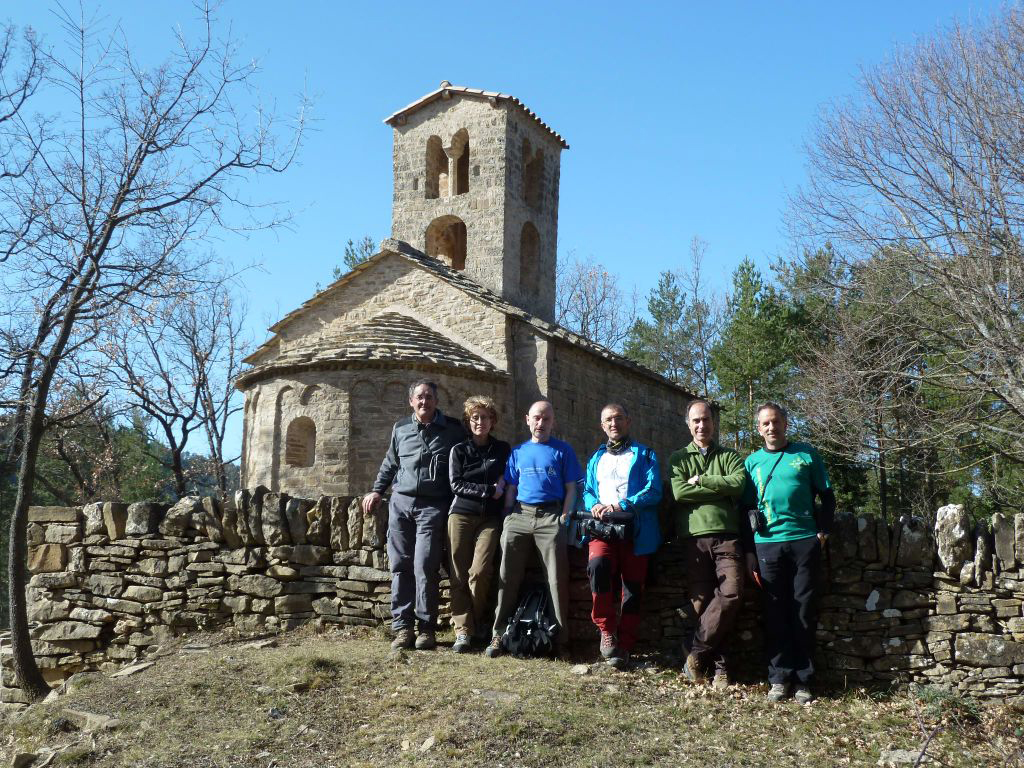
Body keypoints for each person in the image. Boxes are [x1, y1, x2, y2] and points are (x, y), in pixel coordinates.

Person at [363, 379, 466, 651]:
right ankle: (403, 627)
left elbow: (469, 459)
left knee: (425, 566)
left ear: (436, 401)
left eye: (429, 397)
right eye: (419, 397)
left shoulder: (453, 430)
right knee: (400, 565)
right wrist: (376, 490)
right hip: (400, 504)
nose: (424, 402)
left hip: (433, 506)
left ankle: (426, 629)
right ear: (411, 401)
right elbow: (390, 462)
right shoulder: (401, 428)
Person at [743, 402, 834, 704]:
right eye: (765, 424)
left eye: (776, 422)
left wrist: (822, 533)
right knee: (775, 612)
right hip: (767, 544)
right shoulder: (752, 462)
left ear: (786, 423)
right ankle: (779, 679)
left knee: (804, 611)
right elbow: (746, 507)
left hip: (803, 541)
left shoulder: (806, 454)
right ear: (759, 429)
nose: (772, 428)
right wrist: (750, 551)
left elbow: (828, 496)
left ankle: (804, 680)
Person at [485, 400, 582, 659]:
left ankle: (561, 640)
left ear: (553, 421)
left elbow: (572, 488)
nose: (541, 423)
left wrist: (564, 517)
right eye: (537, 418)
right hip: (520, 514)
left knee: (556, 579)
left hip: (551, 516)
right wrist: (507, 515)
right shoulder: (517, 452)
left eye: (546, 419)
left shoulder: (563, 450)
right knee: (507, 576)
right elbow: (512, 487)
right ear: (527, 419)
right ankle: (499, 633)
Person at [669, 398, 747, 690]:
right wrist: (719, 487)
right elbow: (679, 492)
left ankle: (694, 650)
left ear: (714, 423)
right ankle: (720, 668)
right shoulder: (678, 458)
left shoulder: (730, 455)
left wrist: (700, 480)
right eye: (696, 421)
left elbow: (738, 485)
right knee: (702, 604)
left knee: (731, 594)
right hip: (693, 538)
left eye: (707, 420)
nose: (702, 425)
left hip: (727, 535)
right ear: (688, 424)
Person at [581, 403, 661, 669]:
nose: (613, 424)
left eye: (618, 418)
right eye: (608, 420)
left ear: (629, 420)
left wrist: (623, 505)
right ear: (602, 426)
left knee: (633, 589)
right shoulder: (596, 458)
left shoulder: (646, 454)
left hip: (635, 529)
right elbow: (588, 490)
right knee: (598, 565)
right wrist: (594, 504)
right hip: (602, 528)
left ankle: (625, 644)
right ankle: (606, 629)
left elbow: (654, 490)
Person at [447, 395, 511, 653]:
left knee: (481, 571)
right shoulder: (459, 450)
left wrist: (501, 491)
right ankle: (463, 629)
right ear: (468, 421)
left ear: (492, 421)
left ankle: (477, 621)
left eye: (485, 417)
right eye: (475, 418)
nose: (480, 422)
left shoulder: (502, 449)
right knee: (458, 573)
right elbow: (456, 484)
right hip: (461, 514)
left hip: (489, 518)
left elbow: (507, 479)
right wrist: (488, 490)